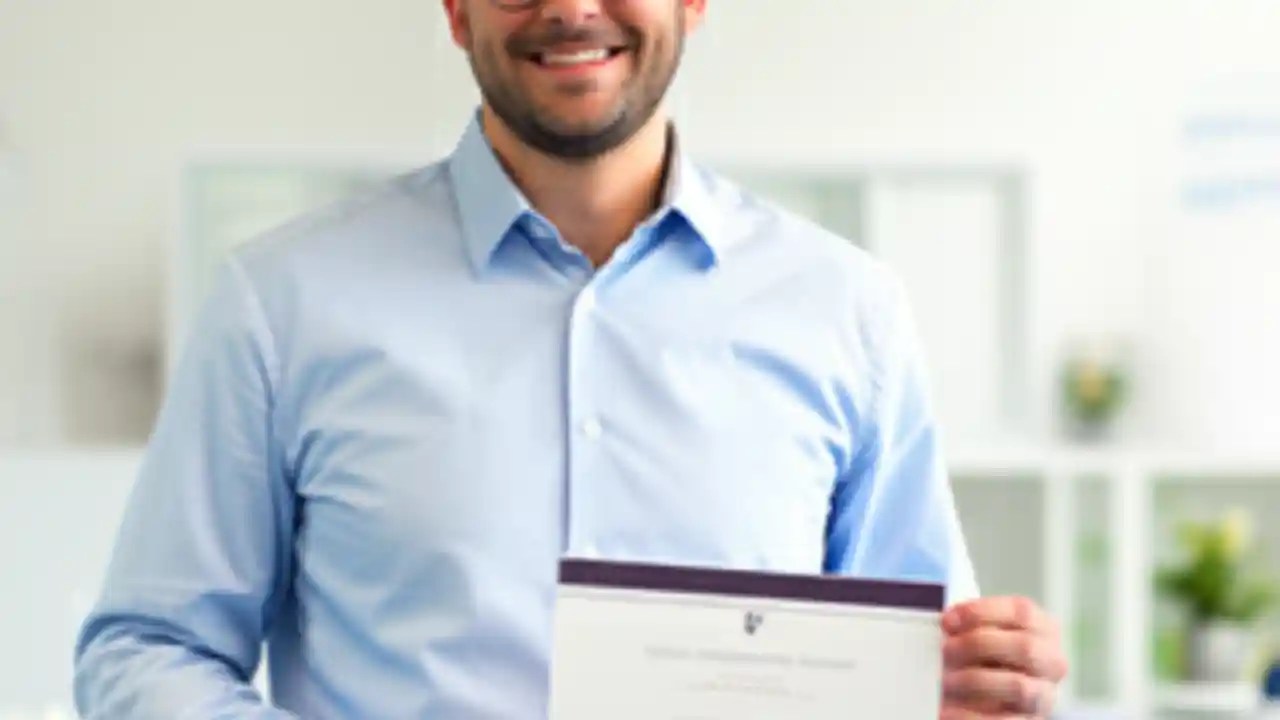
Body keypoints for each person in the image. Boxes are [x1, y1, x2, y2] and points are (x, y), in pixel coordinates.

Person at [74, 0, 1068, 717]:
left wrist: (992, 686)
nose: (568, 9)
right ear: (455, 11)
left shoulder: (847, 312)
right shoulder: (282, 303)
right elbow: (147, 650)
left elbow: (916, 679)